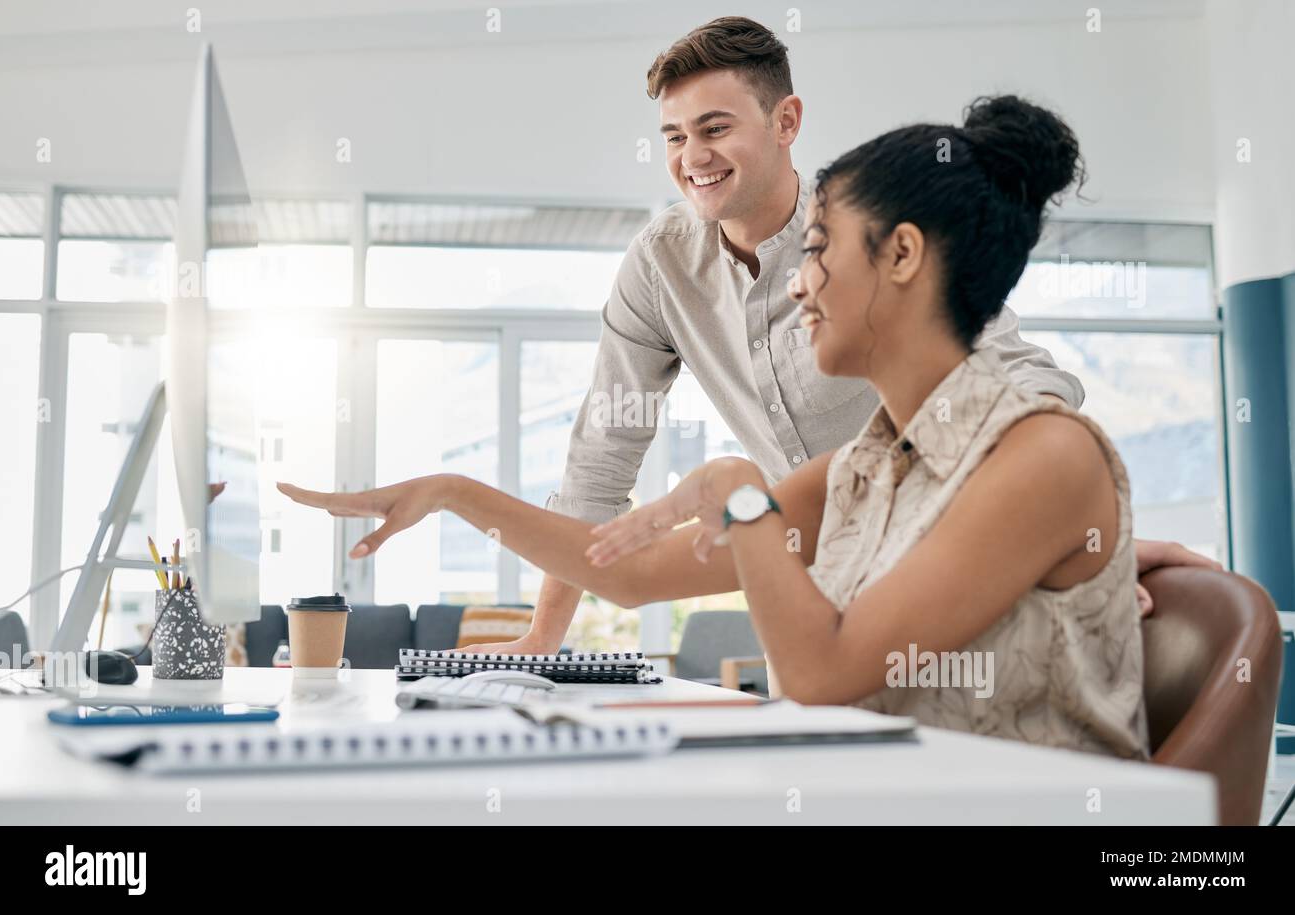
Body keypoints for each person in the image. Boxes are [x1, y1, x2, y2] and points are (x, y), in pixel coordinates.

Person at [281, 94, 1168, 758]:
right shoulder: (861, 470)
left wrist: (742, 494)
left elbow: (824, 675)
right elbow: (627, 578)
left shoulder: (1042, 451)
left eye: (819, 249)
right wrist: (453, 491)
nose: (797, 282)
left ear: (900, 254)